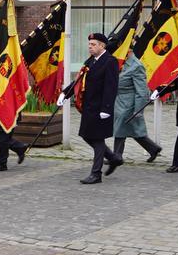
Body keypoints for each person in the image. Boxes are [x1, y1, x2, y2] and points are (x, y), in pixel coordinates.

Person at [64, 33, 120, 185]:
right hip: (89, 107)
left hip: (101, 108)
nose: (90, 47)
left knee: (98, 140)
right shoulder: (90, 61)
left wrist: (106, 108)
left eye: (93, 44)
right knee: (87, 136)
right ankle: (113, 158)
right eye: (89, 44)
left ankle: (96, 174)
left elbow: (111, 87)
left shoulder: (110, 61)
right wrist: (65, 94)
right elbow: (79, 80)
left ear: (102, 46)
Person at [112, 51, 162, 163]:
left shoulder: (136, 66)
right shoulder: (121, 62)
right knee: (132, 129)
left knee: (121, 128)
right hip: (120, 102)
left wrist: (138, 110)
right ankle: (153, 149)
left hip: (129, 104)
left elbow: (142, 91)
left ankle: (116, 156)